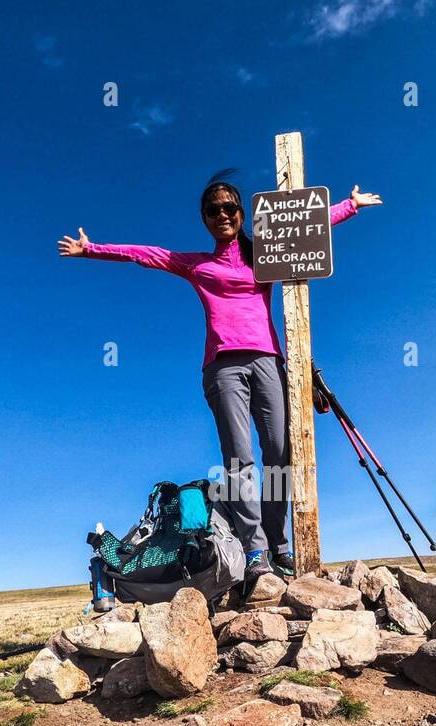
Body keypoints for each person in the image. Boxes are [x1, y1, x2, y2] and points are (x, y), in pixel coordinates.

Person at [59, 169, 381, 580]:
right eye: (214, 210)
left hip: (268, 362)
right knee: (239, 461)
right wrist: (92, 249)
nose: (222, 215)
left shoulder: (264, 256)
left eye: (230, 207)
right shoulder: (199, 266)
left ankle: (278, 542)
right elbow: (147, 254)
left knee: (280, 455)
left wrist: (350, 206)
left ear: (242, 214)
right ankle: (255, 551)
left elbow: (304, 230)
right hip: (223, 367)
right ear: (205, 218)